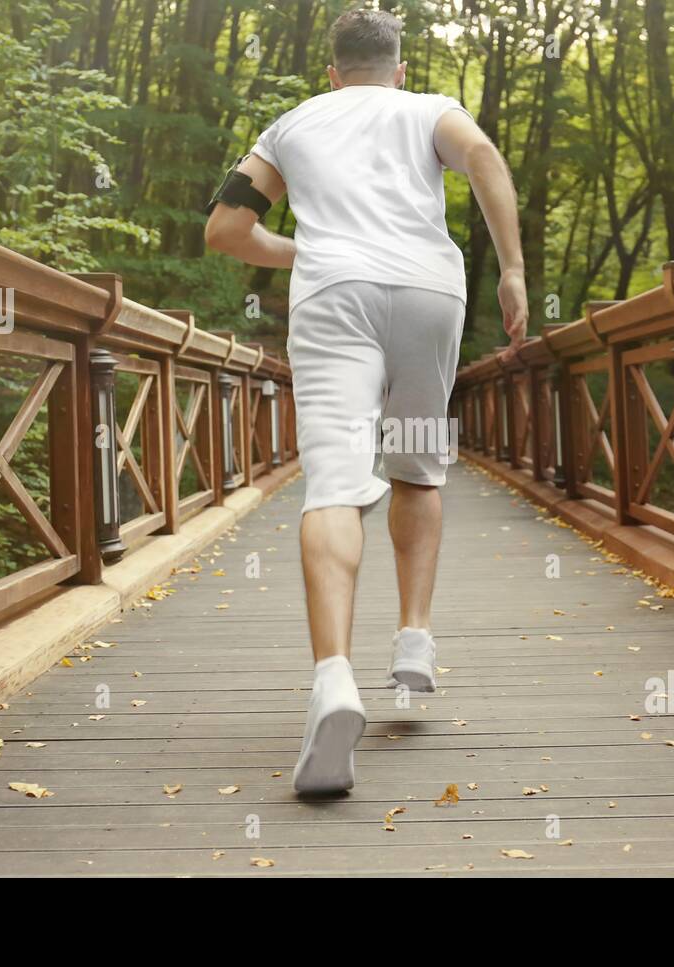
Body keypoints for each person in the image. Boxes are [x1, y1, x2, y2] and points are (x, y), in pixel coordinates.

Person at [204, 8, 526, 794]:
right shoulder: (430, 111)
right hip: (428, 295)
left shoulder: (288, 126)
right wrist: (512, 269)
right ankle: (414, 636)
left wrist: (304, 248)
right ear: (401, 69)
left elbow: (225, 229)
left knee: (336, 483)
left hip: (335, 296)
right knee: (418, 469)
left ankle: (334, 679)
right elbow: (480, 155)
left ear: (333, 72)